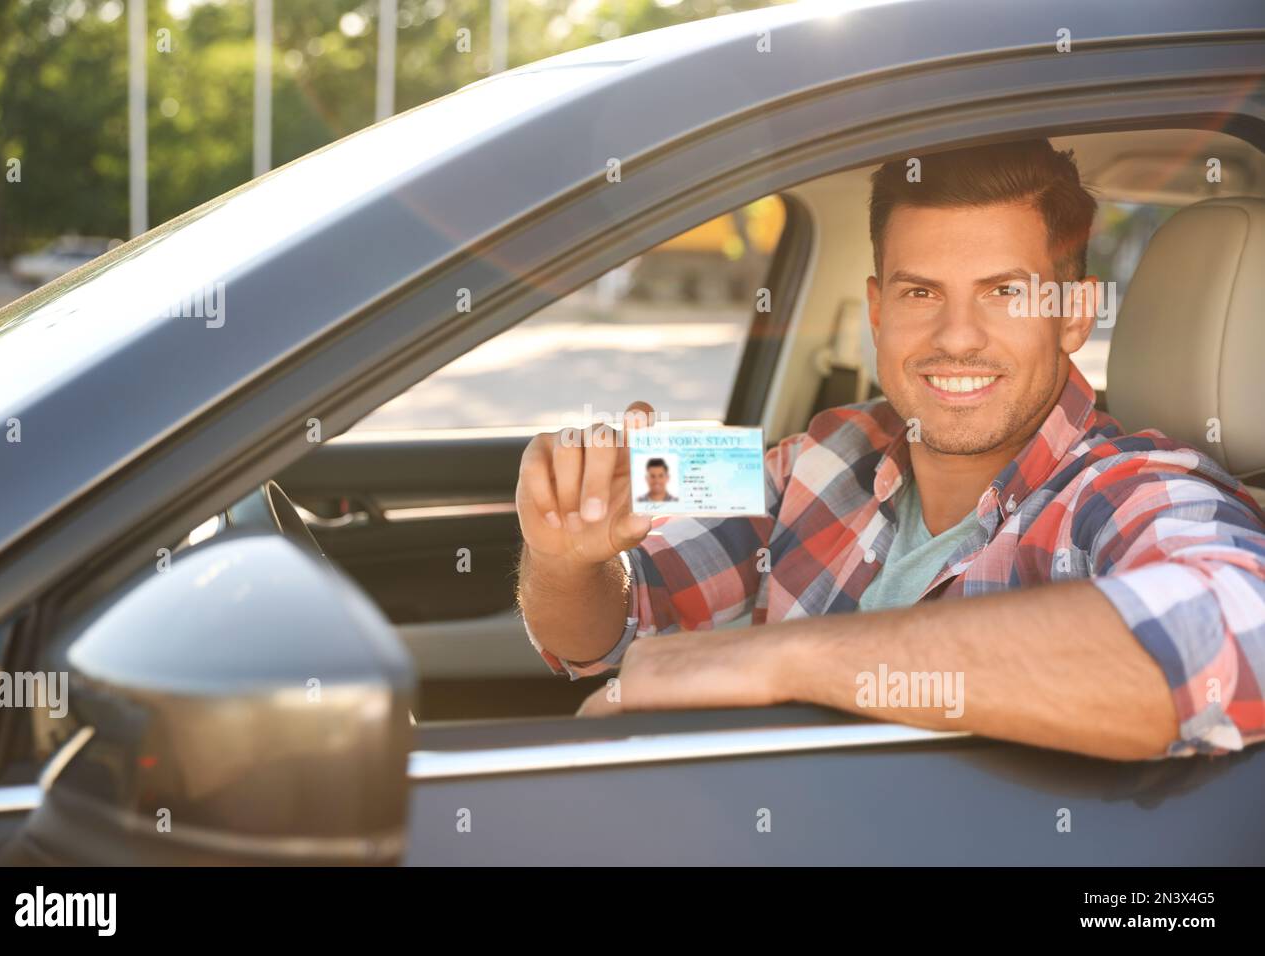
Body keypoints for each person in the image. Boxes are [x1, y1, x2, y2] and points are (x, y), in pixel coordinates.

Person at [514, 139, 1265, 761]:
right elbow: (610, 632)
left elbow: (1237, 636)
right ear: (877, 310)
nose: (957, 336)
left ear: (1073, 315)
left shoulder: (1128, 487)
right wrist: (566, 552)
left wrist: (788, 658)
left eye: (1005, 292)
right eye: (920, 293)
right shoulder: (823, 451)